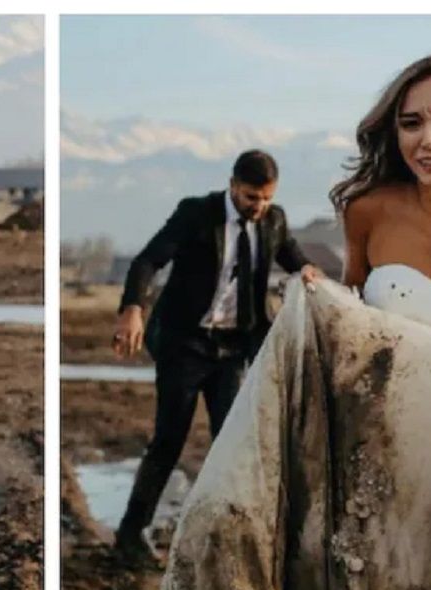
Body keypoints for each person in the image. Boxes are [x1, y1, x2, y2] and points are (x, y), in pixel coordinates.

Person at [157, 53, 431, 590]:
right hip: (377, 453)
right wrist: (315, 301)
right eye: (410, 123)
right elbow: (353, 321)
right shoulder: (367, 210)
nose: (428, 140)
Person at [110, 150, 320, 568]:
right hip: (185, 344)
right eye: (250, 197)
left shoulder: (274, 220)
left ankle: (227, 538)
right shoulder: (196, 214)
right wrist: (133, 308)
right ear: (233, 185)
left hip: (234, 349)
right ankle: (130, 535)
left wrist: (309, 272)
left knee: (234, 444)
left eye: (266, 198)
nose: (258, 206)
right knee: (169, 440)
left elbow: (294, 258)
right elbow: (148, 260)